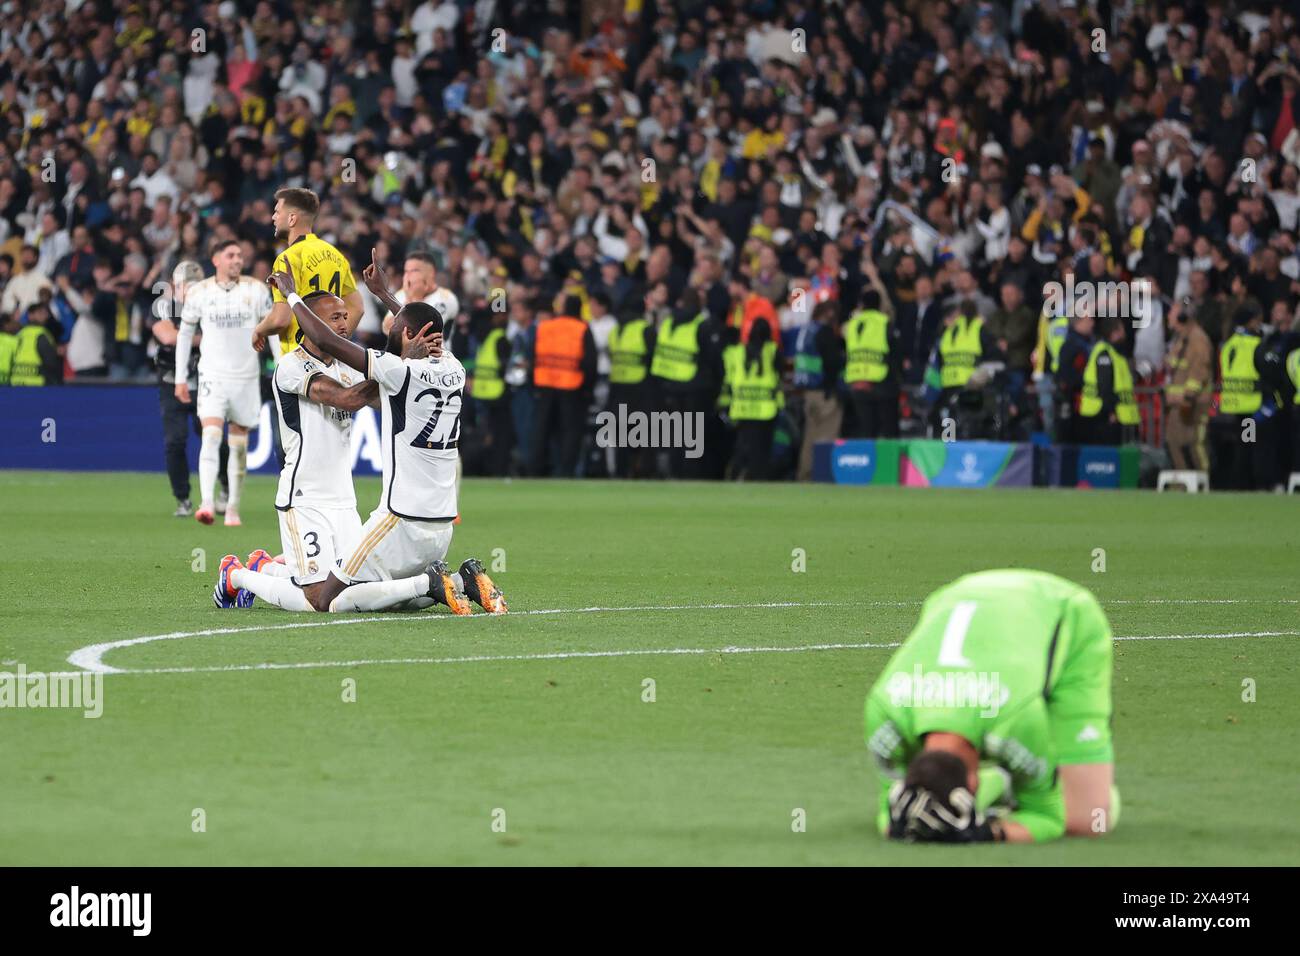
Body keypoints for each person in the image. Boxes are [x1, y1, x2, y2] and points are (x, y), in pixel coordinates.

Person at [218, 262, 506, 616]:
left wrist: (399, 344)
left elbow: (390, 377)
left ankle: (264, 565)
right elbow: (348, 399)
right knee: (316, 601)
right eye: (334, 318)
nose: (344, 323)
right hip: (304, 498)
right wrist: (400, 350)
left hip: (344, 499)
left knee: (363, 593)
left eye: (345, 316)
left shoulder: (351, 366)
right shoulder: (293, 366)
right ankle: (237, 575)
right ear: (310, 323)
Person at [866, 569, 1118, 844]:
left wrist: (988, 832)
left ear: (973, 784)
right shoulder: (884, 713)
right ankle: (1001, 782)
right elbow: (889, 814)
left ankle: (1013, 782)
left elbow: (1049, 818)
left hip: (1064, 608)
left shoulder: (1015, 720)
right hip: (955, 591)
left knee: (1085, 819)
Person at [176, 239, 271, 526]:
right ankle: (206, 502)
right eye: (230, 255)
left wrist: (280, 365)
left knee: (239, 444)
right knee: (211, 435)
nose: (237, 260)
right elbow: (184, 334)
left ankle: (232, 507)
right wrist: (181, 377)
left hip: (245, 376)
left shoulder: (256, 289)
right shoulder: (200, 292)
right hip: (212, 376)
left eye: (240, 255)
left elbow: (275, 330)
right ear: (216, 260)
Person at [151, 260, 228, 517]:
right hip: (171, 381)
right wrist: (201, 338)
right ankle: (182, 498)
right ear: (175, 286)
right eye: (186, 287)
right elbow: (168, 337)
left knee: (213, 436)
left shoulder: (213, 306)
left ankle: (226, 487)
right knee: (175, 441)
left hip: (205, 380)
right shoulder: (163, 304)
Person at [253, 187, 362, 354]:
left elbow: (280, 319)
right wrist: (336, 342)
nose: (273, 217)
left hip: (299, 359)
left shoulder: (288, 258)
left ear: (291, 219)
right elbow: (357, 308)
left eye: (277, 212)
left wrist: (259, 330)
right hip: (329, 358)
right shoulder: (336, 255)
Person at [649, 290, 724, 478]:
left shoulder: (668, 324)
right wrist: (716, 384)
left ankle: (675, 471)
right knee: (693, 435)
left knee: (675, 433)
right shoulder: (701, 325)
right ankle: (691, 474)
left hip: (669, 385)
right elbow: (713, 359)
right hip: (696, 386)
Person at [527, 294, 596, 477]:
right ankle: (567, 471)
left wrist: (533, 382)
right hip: (571, 387)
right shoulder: (582, 328)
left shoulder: (545, 326)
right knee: (570, 432)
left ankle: (535, 469)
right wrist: (588, 389)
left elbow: (532, 357)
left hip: (544, 383)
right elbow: (590, 363)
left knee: (541, 429)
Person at [1209, 309, 1276, 490]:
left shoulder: (1228, 344)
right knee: (1248, 447)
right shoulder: (1255, 344)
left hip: (1232, 405)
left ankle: (1239, 483)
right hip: (1249, 407)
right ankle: (1247, 485)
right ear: (1251, 322)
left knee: (1241, 446)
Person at [606, 289, 659, 478]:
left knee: (621, 437)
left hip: (617, 386)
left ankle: (621, 473)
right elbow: (654, 360)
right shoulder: (645, 329)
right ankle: (644, 472)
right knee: (643, 435)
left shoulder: (614, 331)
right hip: (641, 388)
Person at [723, 318, 781, 480]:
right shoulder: (772, 351)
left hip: (743, 406)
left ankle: (735, 475)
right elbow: (778, 377)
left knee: (743, 445)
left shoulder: (737, 352)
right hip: (765, 407)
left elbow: (730, 378)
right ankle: (757, 477)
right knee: (762, 448)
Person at [793, 300, 844, 481]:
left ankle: (805, 475)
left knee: (810, 437)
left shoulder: (805, 330)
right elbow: (832, 363)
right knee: (827, 436)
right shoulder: (824, 332)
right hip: (823, 392)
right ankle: (823, 476)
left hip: (807, 392)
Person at [1163, 299, 1213, 471]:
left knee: (1194, 445)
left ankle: (1203, 483)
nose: (1169, 315)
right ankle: (1182, 483)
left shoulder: (1198, 340)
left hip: (1192, 405)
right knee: (1173, 442)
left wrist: (1185, 398)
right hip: (1178, 404)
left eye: (1173, 312)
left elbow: (1199, 374)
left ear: (1183, 316)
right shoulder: (1180, 340)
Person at [843, 287, 899, 439]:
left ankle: (867, 461)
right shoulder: (884, 322)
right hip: (881, 382)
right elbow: (895, 351)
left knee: (866, 430)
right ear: (879, 304)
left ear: (861, 304)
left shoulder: (852, 324)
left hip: (856, 381)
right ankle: (889, 463)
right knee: (889, 431)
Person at [1076, 317, 1139, 446]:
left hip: (1119, 416)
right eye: (1121, 329)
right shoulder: (1104, 353)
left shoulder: (1116, 353)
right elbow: (1105, 386)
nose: (1124, 333)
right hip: (1103, 417)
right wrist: (1111, 412)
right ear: (1114, 333)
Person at [380, 250, 460, 352]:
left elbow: (422, 331)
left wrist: (415, 299)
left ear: (431, 274)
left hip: (437, 359)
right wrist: (409, 299)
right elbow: (387, 328)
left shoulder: (446, 298)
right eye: (406, 271)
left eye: (414, 271)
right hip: (407, 358)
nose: (408, 276)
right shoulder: (401, 294)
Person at [469, 306, 514, 476]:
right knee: (502, 436)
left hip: (483, 392)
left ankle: (487, 469)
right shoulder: (500, 338)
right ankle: (499, 470)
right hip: (499, 393)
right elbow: (507, 367)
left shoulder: (484, 338)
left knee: (487, 434)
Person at [8, 302, 62, 385]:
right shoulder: (42, 335)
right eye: (40, 313)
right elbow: (51, 363)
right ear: (30, 315)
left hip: (16, 383)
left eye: (45, 313)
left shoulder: (19, 334)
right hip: (36, 386)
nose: (45, 316)